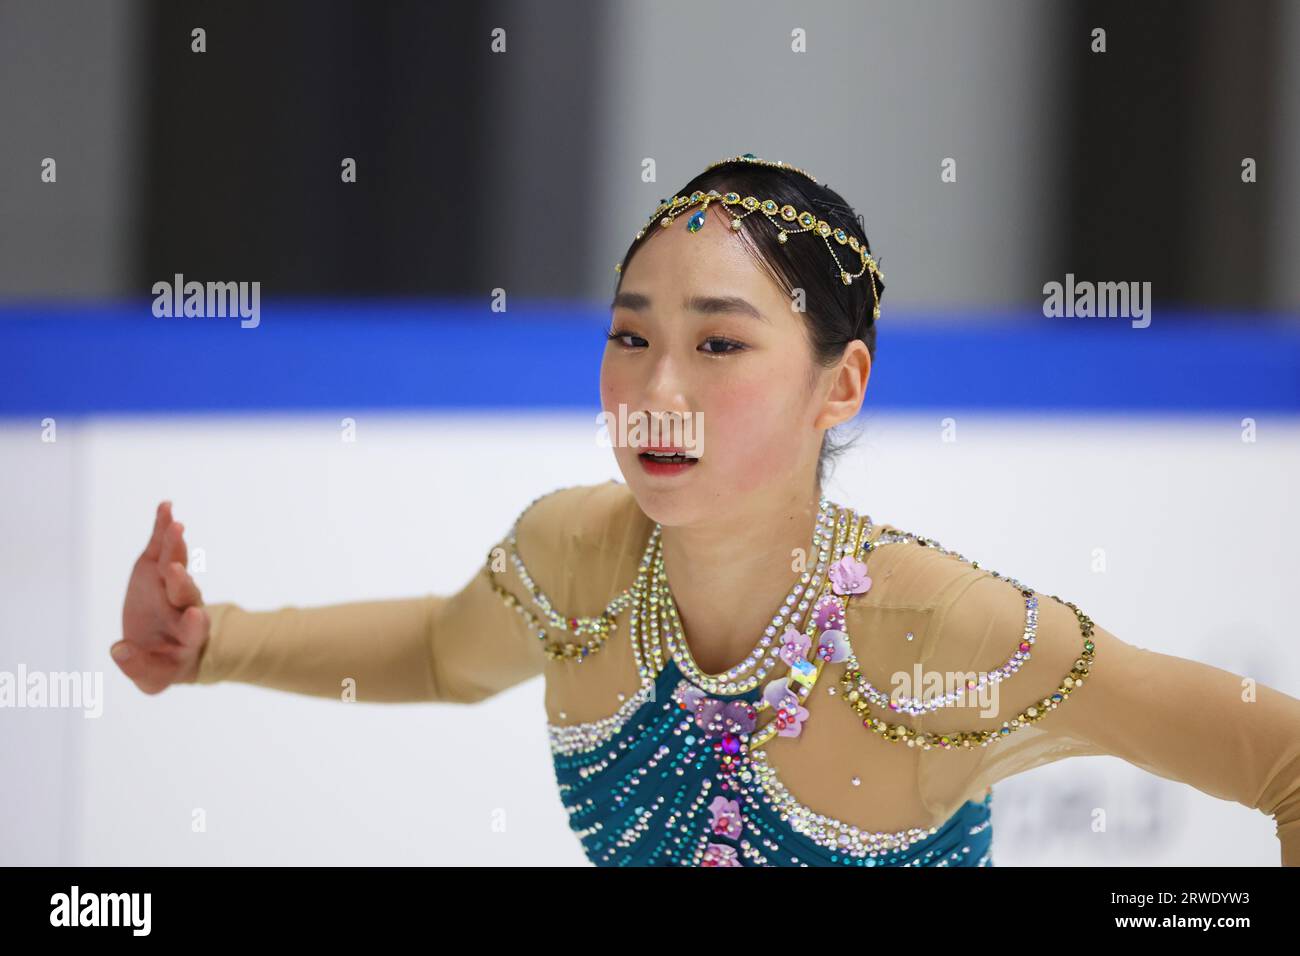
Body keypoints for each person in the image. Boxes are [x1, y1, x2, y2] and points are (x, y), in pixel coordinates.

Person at [113, 154, 1300, 867]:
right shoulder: (572, 554)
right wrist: (212, 642)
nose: (655, 390)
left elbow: (1287, 759)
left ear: (841, 382)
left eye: (718, 342)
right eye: (630, 336)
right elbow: (440, 649)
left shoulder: (939, 631)